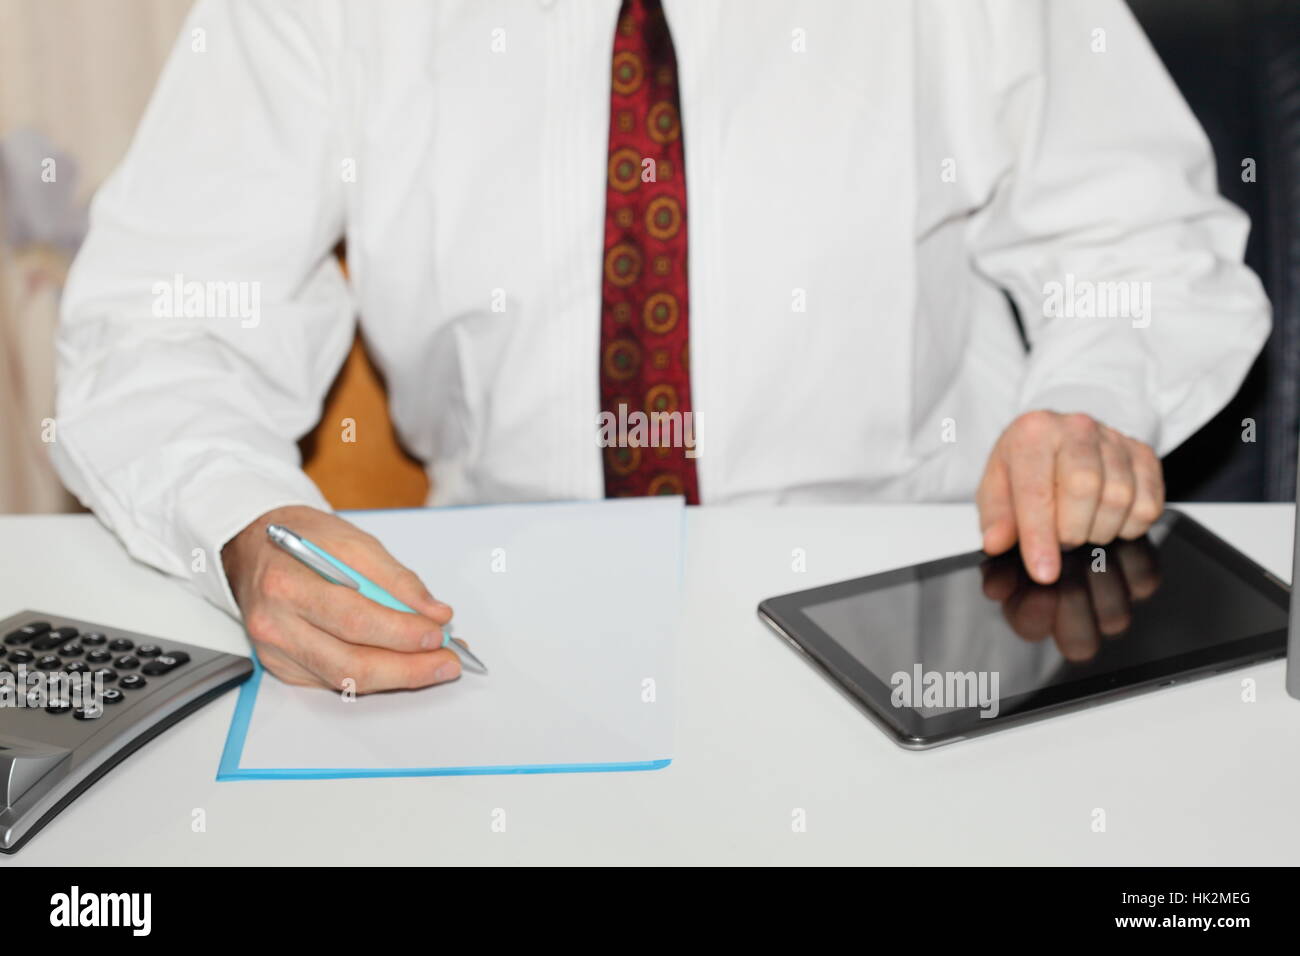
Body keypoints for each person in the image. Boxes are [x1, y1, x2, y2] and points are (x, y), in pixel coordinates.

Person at [52, 0, 1269, 693]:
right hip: (489, 631)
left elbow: (1144, 246)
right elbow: (159, 325)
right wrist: (246, 524)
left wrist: (1087, 406)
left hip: (931, 611)